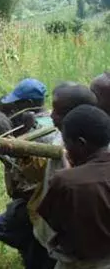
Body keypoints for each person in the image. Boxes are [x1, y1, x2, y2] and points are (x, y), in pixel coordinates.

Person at [23, 83, 98, 266]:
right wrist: (25, 155)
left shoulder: (82, 150)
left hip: (66, 236)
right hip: (48, 227)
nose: (51, 115)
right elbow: (41, 174)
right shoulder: (60, 136)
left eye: (59, 112)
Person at [0, 78, 57, 269]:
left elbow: (27, 168)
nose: (13, 108)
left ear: (28, 105)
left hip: (38, 199)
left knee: (5, 227)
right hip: (36, 197)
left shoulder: (40, 131)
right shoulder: (48, 119)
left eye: (17, 104)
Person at [38, 105, 110, 268]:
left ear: (80, 143)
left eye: (66, 142)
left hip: (81, 263)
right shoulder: (69, 179)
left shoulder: (66, 181)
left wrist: (68, 175)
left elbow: (53, 223)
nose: (66, 149)